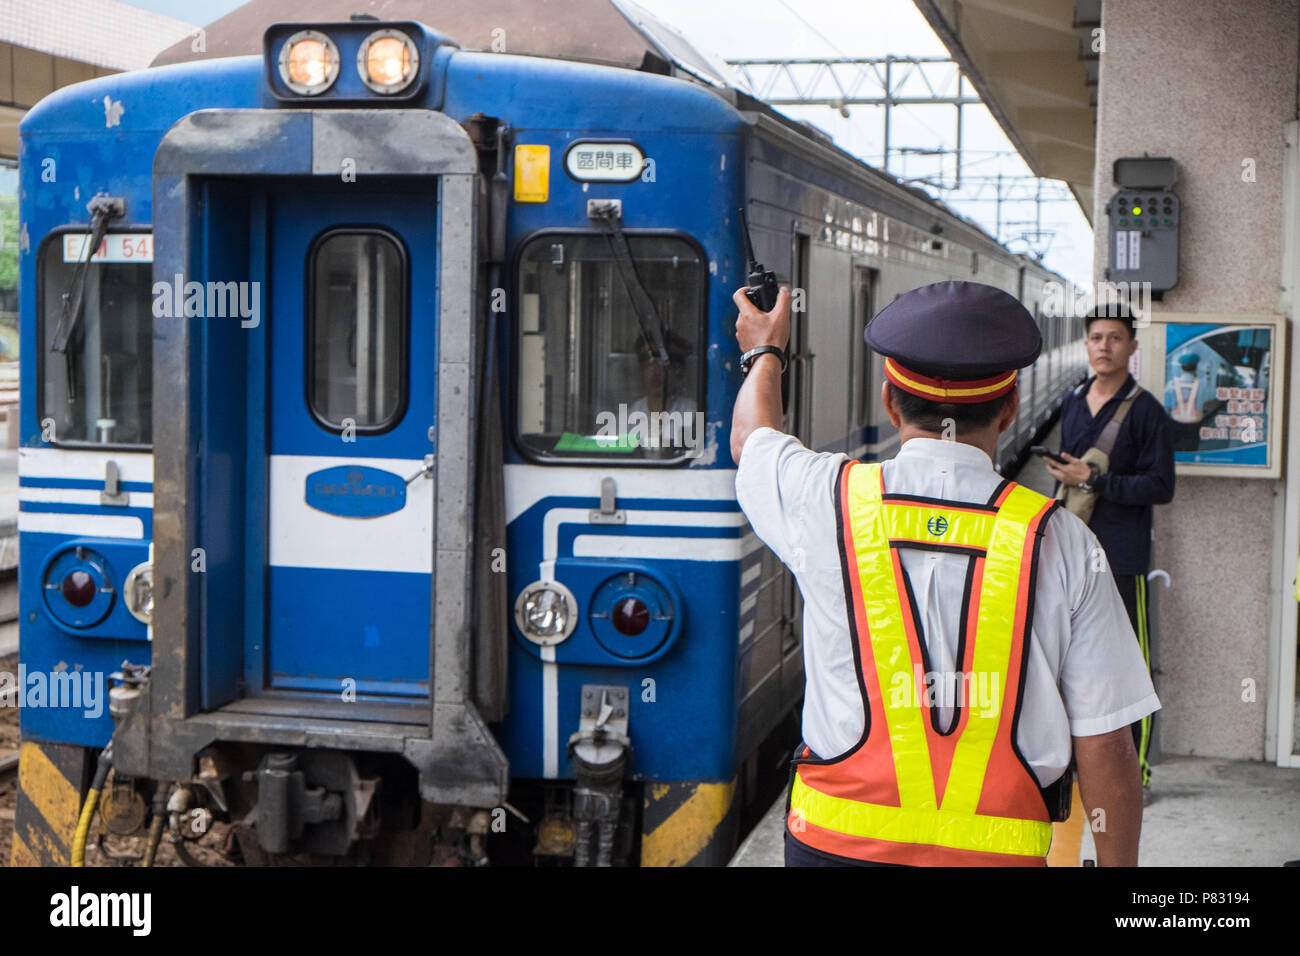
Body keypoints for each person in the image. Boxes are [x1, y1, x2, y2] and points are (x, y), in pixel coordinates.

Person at [731, 280, 1159, 867]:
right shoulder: (1061, 540)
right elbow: (1106, 740)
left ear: (890, 401)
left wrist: (765, 352)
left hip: (831, 847)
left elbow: (753, 440)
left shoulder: (828, 498)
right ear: (1010, 409)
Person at [1046, 307, 1174, 790]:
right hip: (1072, 549)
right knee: (1070, 656)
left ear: (1132, 348)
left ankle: (1136, 772)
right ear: (1086, 344)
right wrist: (1068, 473)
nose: (1104, 346)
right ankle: (1075, 765)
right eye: (1096, 337)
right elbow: (1074, 467)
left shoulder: (1148, 412)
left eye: (1115, 338)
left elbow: (1161, 487)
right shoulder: (1074, 400)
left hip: (1122, 553)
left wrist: (1095, 479)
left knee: (1132, 663)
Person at [1164, 351, 1204, 451]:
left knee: (1175, 453)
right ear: (1196, 368)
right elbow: (1201, 405)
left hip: (1175, 423)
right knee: (1191, 451)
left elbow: (1166, 406)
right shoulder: (1201, 384)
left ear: (1181, 368)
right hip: (1193, 425)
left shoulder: (1171, 384)